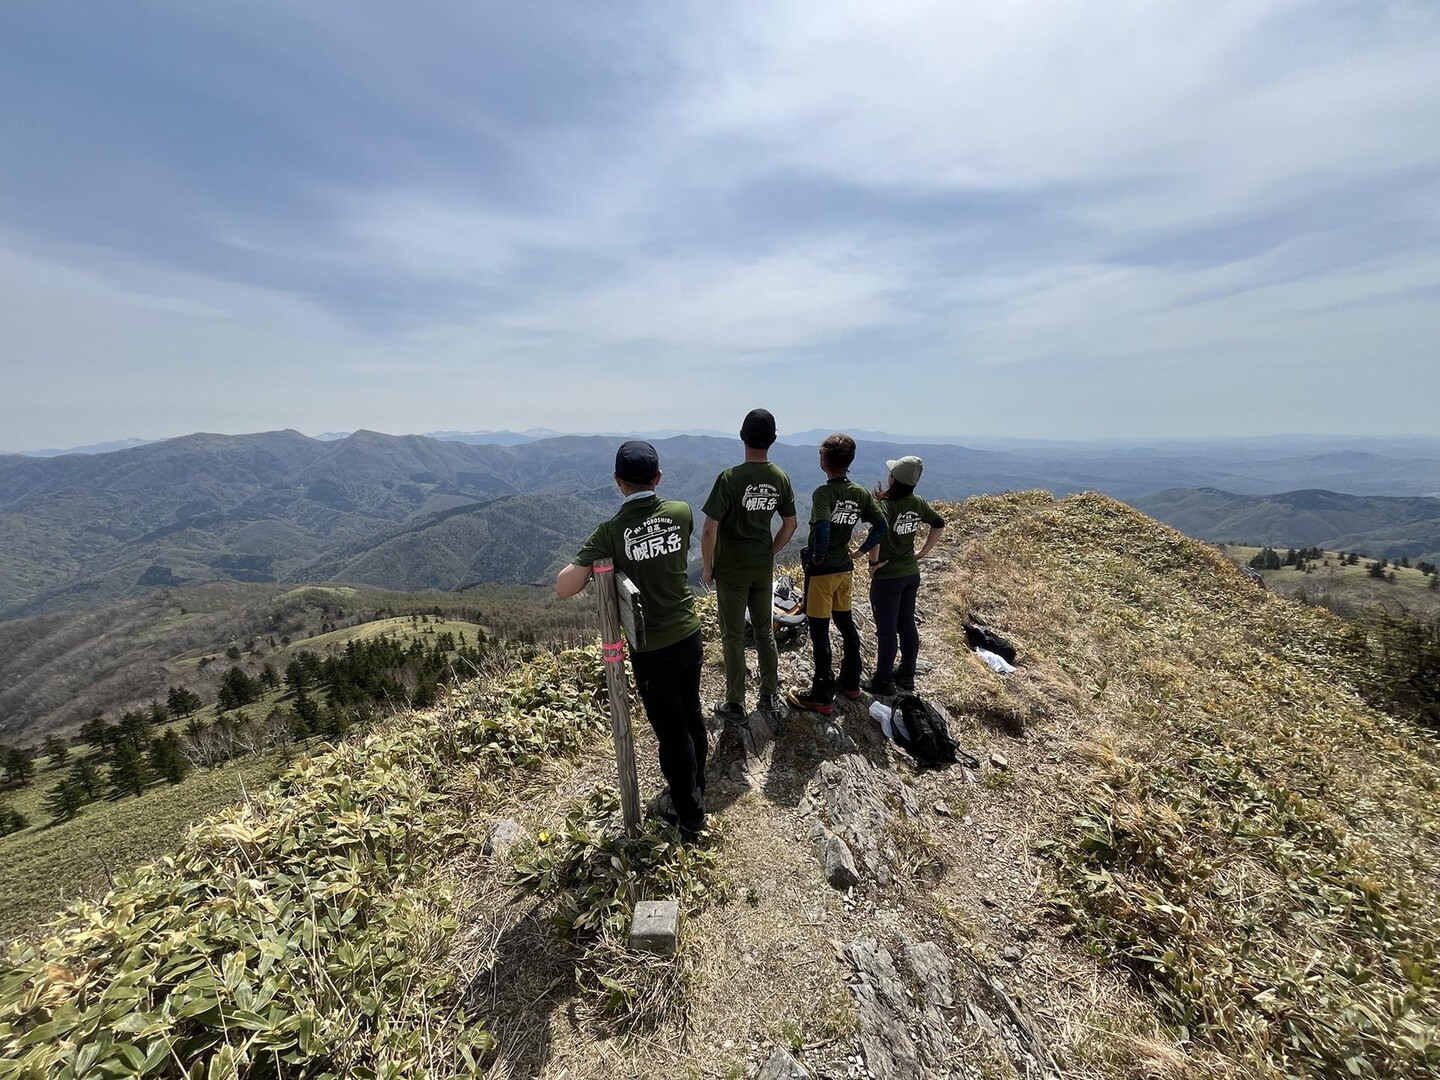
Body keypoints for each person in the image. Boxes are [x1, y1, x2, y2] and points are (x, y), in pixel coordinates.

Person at [555, 441, 707, 838]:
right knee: (691, 715)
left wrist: (592, 567)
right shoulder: (681, 513)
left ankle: (689, 813)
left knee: (672, 732)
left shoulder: (611, 531)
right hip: (689, 633)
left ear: (617, 482)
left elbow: (563, 586)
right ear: (658, 478)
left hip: (650, 647)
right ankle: (697, 787)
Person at [700, 409, 798, 724]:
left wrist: (707, 566)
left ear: (742, 436)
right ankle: (768, 695)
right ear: (773, 439)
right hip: (761, 567)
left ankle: (736, 703)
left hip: (731, 570)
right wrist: (770, 550)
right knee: (764, 632)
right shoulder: (779, 477)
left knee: (732, 636)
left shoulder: (730, 478)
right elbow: (790, 523)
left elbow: (709, 529)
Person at [787, 433, 887, 716]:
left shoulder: (824, 493)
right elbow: (881, 524)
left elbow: (821, 527)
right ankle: (851, 683)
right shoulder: (858, 493)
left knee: (819, 631)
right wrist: (861, 550)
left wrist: (817, 557)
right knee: (845, 625)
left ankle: (821, 694)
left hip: (822, 574)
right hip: (845, 570)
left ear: (824, 460)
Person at [864, 455, 946, 696]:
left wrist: (873, 562)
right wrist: (921, 553)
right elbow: (938, 523)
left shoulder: (886, 506)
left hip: (888, 577)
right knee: (906, 624)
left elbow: (878, 533)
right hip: (911, 573)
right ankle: (907, 675)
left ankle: (883, 680)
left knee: (887, 629)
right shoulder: (918, 502)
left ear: (893, 478)